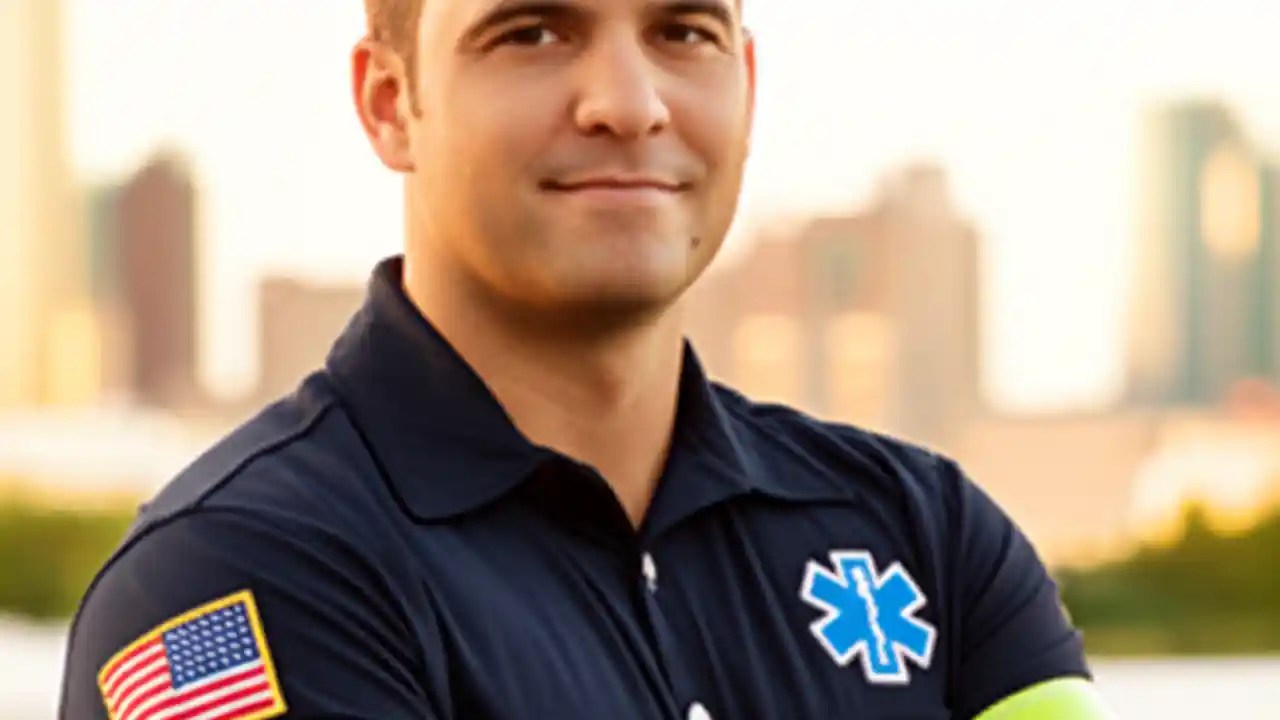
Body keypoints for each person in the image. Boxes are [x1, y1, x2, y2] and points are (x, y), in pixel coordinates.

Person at [60, 0, 1115, 717]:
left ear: (744, 81)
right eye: (531, 31)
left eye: (682, 30)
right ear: (390, 101)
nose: (627, 102)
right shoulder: (228, 583)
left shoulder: (928, 536)